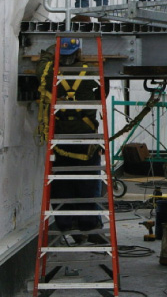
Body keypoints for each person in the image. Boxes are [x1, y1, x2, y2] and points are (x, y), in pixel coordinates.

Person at [37, 38, 103, 242]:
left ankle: (65, 223)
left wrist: (49, 52)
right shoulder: (90, 72)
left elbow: (42, 67)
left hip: (62, 142)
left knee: (62, 185)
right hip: (86, 142)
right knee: (88, 185)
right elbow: (103, 91)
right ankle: (89, 225)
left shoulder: (51, 74)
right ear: (77, 53)